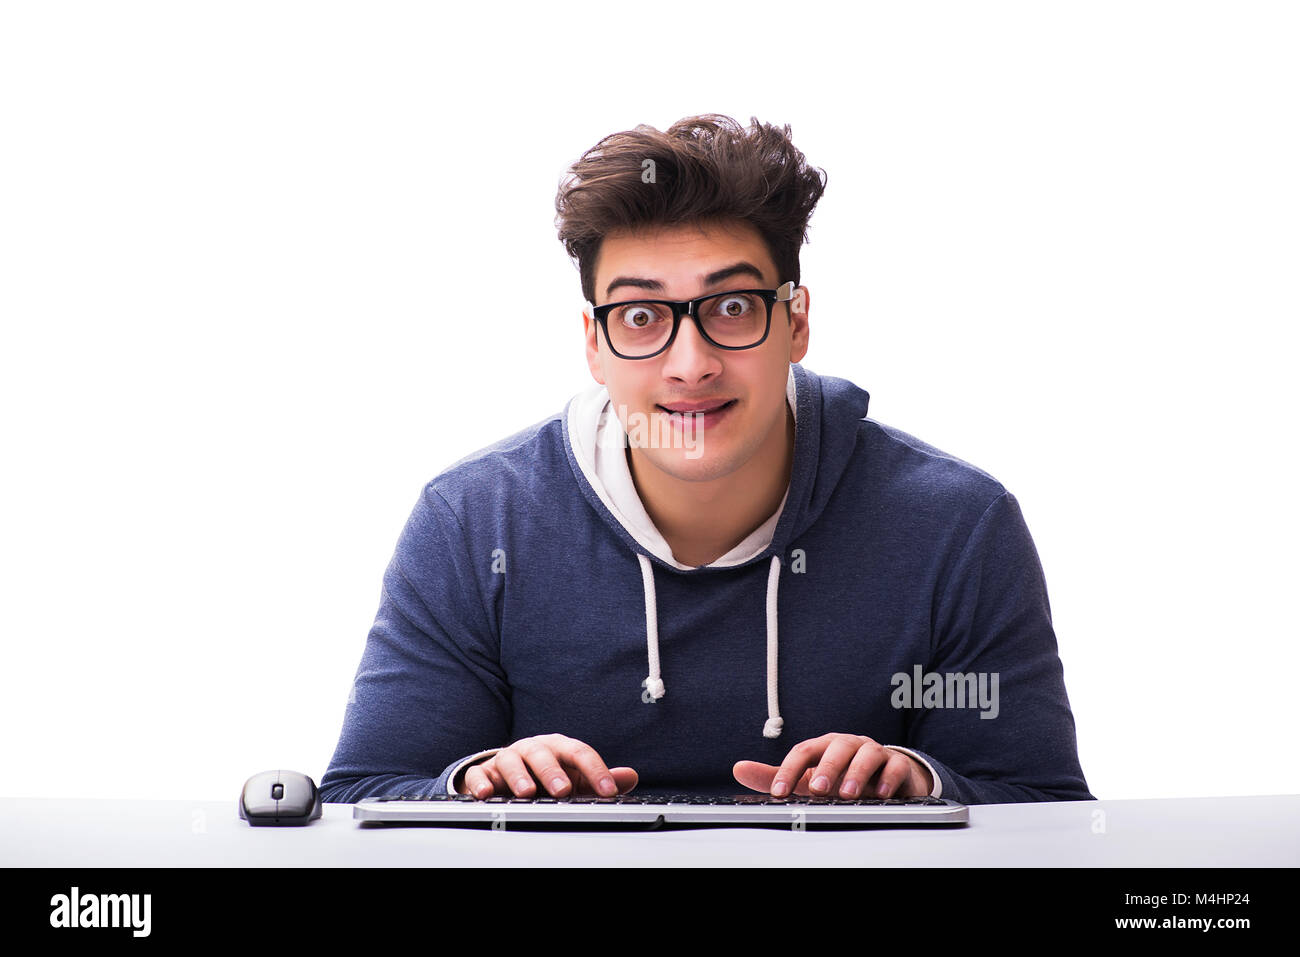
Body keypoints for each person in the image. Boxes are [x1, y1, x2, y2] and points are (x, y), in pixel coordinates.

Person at [318, 114, 1093, 805]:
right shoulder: (474, 522)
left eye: (730, 306)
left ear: (796, 322)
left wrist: (920, 781)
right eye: (642, 314)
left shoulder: (954, 526)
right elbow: (361, 798)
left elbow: (1043, 807)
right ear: (594, 343)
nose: (690, 363)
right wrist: (476, 782)